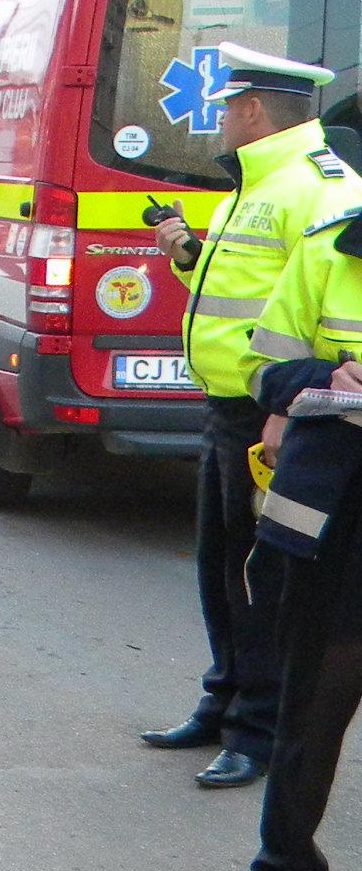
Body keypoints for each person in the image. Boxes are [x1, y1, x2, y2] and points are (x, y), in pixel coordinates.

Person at [144, 43, 362, 790]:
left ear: (253, 108)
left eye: (227, 106)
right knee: (219, 568)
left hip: (274, 416)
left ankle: (258, 728)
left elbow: (324, 305)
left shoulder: (317, 186)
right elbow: (246, 284)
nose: (219, 120)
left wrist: (291, 407)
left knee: (259, 578)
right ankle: (225, 697)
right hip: (228, 408)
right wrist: (185, 253)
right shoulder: (258, 182)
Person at [235, 120, 362, 871]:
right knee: (311, 717)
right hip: (337, 526)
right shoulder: (329, 252)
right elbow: (262, 368)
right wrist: (328, 376)